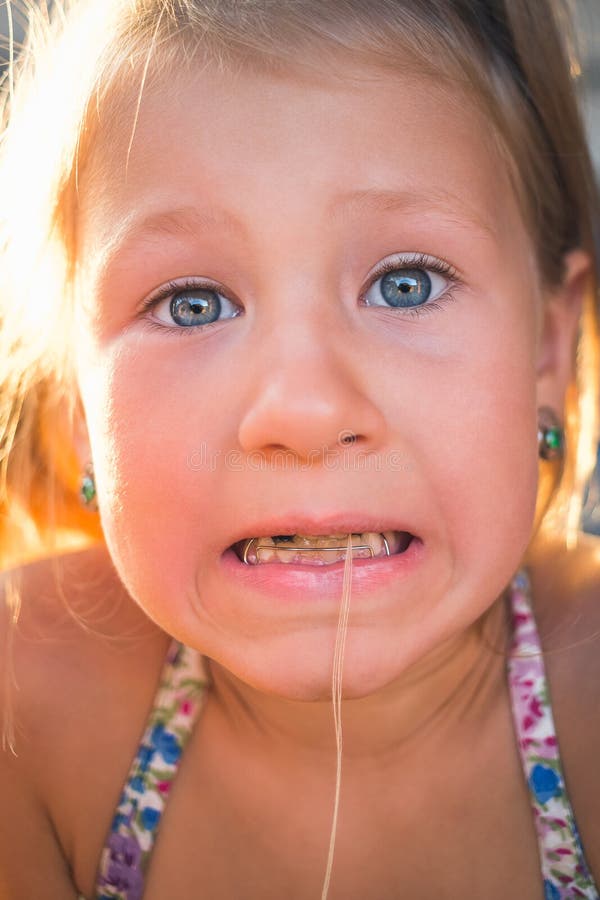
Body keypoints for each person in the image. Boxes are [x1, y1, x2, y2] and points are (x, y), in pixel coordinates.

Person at [0, 0, 599, 897]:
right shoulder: (26, 706)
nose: (308, 412)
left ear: (549, 352)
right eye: (192, 303)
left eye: (405, 284)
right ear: (81, 407)